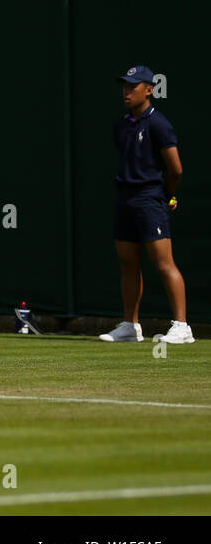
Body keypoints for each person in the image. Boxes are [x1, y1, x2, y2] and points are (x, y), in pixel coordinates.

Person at [101, 65, 192, 344]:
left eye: (133, 86)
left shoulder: (158, 124)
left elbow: (175, 169)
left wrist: (166, 195)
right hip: (125, 198)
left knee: (164, 264)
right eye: (125, 87)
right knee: (128, 264)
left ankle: (182, 327)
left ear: (149, 90)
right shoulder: (122, 125)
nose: (127, 92)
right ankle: (131, 325)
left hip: (150, 199)